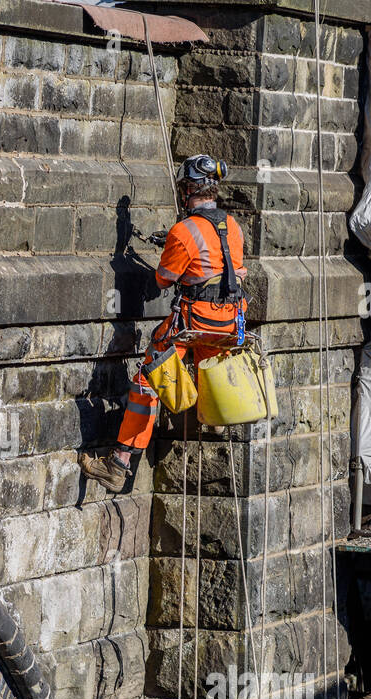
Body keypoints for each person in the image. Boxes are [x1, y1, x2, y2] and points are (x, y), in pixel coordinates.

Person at [80, 154, 249, 493]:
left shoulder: (184, 231)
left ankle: (120, 462)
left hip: (194, 321)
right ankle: (211, 414)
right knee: (205, 366)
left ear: (187, 190)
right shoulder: (232, 225)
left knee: (148, 378)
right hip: (229, 323)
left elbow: (162, 279)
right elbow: (224, 268)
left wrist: (170, 247)